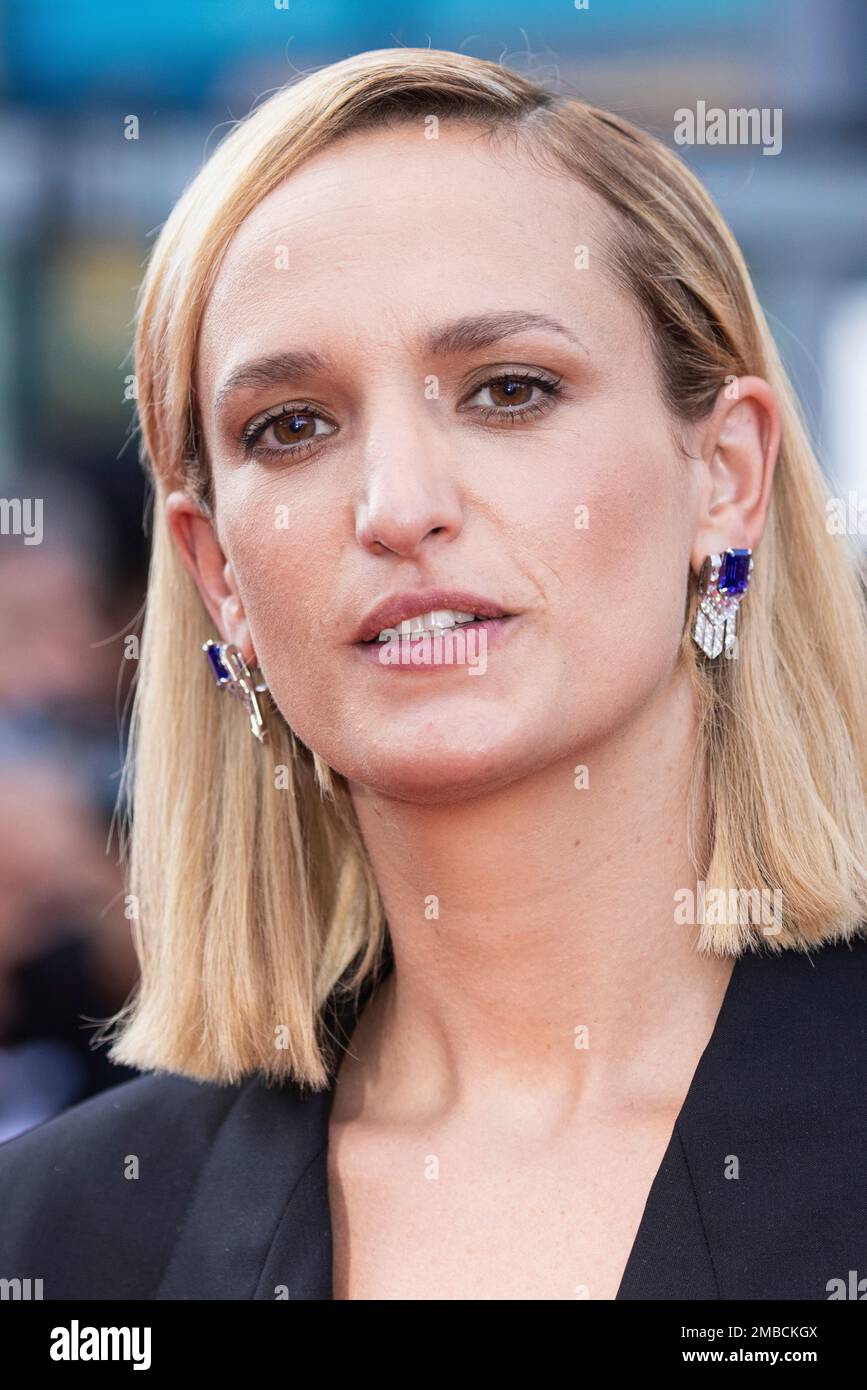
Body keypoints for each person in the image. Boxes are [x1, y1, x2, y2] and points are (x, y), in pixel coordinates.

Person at [1, 47, 866, 1302]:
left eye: (509, 390)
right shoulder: (63, 1246)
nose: (398, 507)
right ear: (217, 571)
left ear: (725, 477)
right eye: (290, 425)